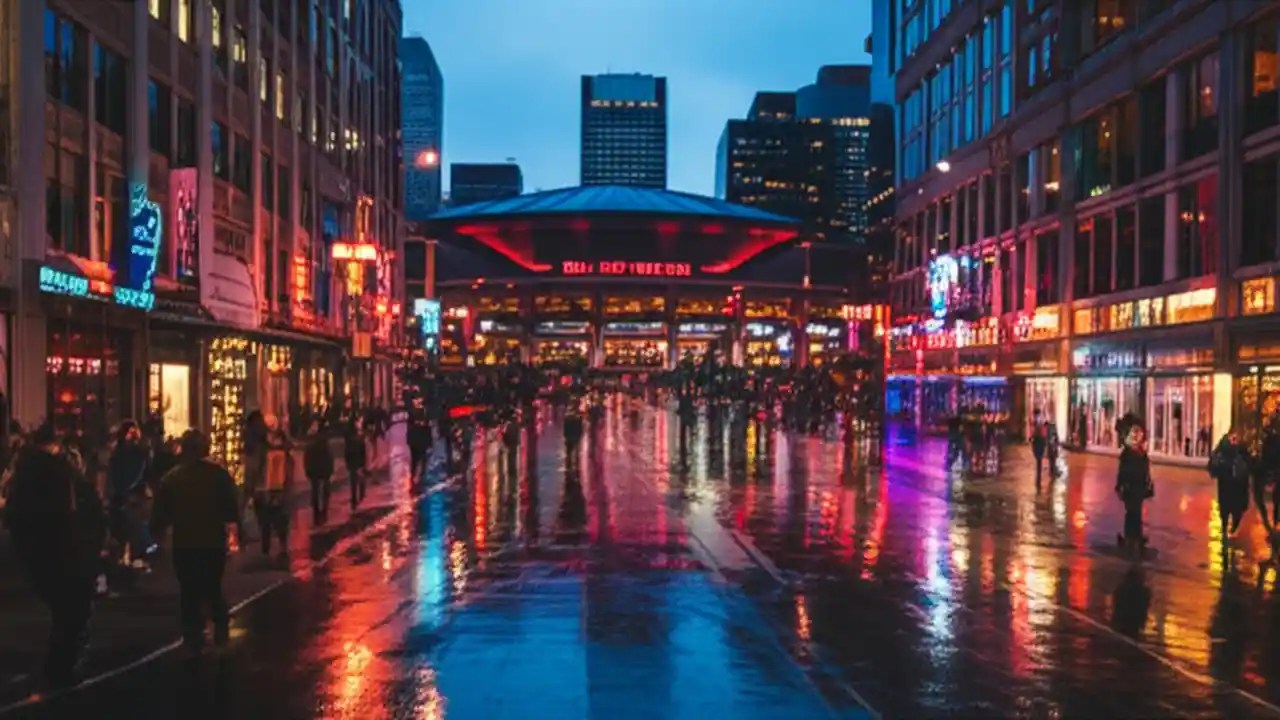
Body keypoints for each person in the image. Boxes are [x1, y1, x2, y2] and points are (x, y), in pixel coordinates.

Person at [3, 422, 105, 687]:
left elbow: (14, 513)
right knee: (73, 609)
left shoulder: (25, 473)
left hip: (40, 549)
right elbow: (75, 511)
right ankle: (61, 667)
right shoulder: (60, 473)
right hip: (65, 549)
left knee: (66, 608)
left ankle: (59, 665)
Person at [150, 429, 241, 655]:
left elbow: (161, 512)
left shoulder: (172, 478)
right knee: (212, 585)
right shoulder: (218, 475)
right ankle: (220, 625)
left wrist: (157, 532)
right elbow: (231, 507)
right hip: (211, 540)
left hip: (185, 542)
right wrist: (235, 531)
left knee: (189, 589)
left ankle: (193, 634)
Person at [107, 421, 151, 569]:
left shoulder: (138, 453)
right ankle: (125, 558)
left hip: (132, 496)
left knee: (132, 528)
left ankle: (131, 557)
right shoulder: (121, 454)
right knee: (125, 529)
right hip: (126, 496)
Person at [254, 423, 293, 557]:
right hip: (268, 493)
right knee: (270, 522)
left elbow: (289, 474)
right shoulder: (264, 453)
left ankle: (278, 548)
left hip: (276, 492)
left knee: (276, 521)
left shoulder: (278, 454)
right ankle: (271, 548)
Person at [1115, 423, 1153, 554]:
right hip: (1131, 487)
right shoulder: (1129, 454)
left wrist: (1148, 483)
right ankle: (1131, 538)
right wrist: (1120, 485)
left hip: (1138, 487)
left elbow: (1146, 471)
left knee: (1135, 513)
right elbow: (1122, 471)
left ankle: (1134, 538)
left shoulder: (1140, 453)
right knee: (1132, 513)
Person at [1209, 429, 1252, 536]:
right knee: (1227, 508)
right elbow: (1214, 458)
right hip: (1229, 483)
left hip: (1235, 484)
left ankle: (1229, 529)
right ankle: (1226, 529)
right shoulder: (1226, 447)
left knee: (1234, 509)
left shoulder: (1242, 447)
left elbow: (1249, 463)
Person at [303, 419, 334, 525]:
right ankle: (323, 514)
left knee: (315, 493)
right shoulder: (325, 443)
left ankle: (316, 515)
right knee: (325, 493)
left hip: (315, 471)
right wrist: (331, 470)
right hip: (324, 470)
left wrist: (307, 470)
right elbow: (329, 457)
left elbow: (307, 457)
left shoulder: (312, 443)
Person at [343, 419, 368, 510]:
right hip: (359, 463)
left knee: (353, 483)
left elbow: (346, 454)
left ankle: (354, 501)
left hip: (352, 464)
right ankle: (361, 497)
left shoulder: (349, 441)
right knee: (361, 481)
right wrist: (363, 464)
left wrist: (348, 464)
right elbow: (363, 453)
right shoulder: (360, 439)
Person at [406, 414, 432, 488]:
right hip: (417, 440)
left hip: (418, 440)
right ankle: (416, 479)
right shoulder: (422, 412)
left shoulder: (418, 411)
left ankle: (418, 479)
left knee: (419, 461)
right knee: (418, 461)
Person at [1030, 411, 1048, 485]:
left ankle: (1038, 477)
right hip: (1040, 441)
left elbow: (1036, 433)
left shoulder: (1038, 423)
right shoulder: (1041, 421)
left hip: (1039, 441)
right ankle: (1038, 476)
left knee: (1039, 459)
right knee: (1039, 459)